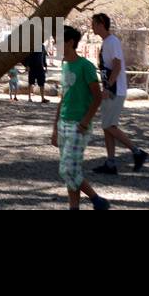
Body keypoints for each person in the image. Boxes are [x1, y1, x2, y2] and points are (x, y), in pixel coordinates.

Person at [52, 24, 110, 210]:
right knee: (73, 171)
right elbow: (63, 97)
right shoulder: (65, 65)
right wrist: (55, 127)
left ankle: (96, 199)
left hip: (79, 124)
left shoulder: (85, 66)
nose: (56, 45)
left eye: (59, 42)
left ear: (70, 42)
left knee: (66, 169)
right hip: (63, 123)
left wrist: (85, 121)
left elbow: (97, 96)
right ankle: (74, 206)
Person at [90, 14, 148, 174]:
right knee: (107, 126)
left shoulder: (112, 42)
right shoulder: (107, 42)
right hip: (111, 89)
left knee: (108, 125)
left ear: (101, 24)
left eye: (93, 24)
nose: (91, 27)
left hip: (115, 90)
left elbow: (117, 65)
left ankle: (137, 152)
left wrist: (108, 86)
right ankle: (110, 162)